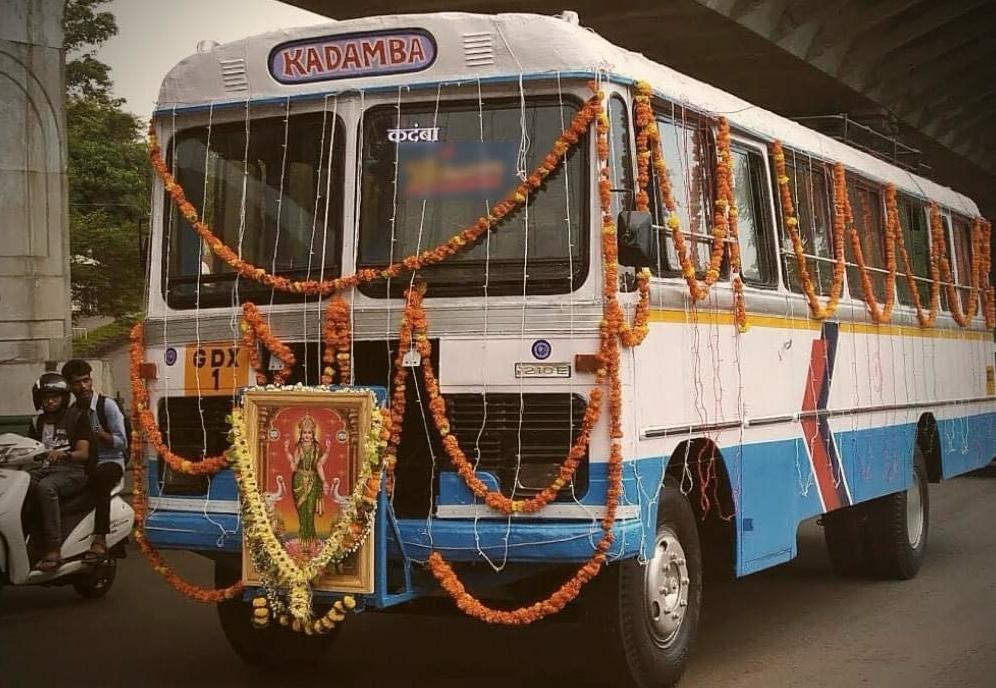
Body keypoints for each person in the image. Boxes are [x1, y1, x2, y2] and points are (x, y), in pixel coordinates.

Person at [61, 359, 127, 564]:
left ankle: (100, 538)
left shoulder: (107, 406)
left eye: (86, 381)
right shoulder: (72, 411)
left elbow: (122, 442)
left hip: (110, 461)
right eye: (77, 383)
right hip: (83, 464)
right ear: (69, 386)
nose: (83, 387)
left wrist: (101, 433)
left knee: (100, 478)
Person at [25, 373, 91, 571]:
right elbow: (29, 449)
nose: (50, 401)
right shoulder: (37, 423)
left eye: (55, 397)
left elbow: (83, 453)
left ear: (64, 398)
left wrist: (63, 455)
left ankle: (53, 548)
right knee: (19, 484)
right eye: (46, 397)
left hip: (72, 470)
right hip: (43, 470)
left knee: (46, 488)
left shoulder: (78, 417)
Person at [283, 414, 329, 544]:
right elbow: (293, 466)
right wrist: (287, 452)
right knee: (302, 511)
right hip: (298, 481)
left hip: (313, 481)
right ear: (300, 434)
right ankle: (303, 538)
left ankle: (310, 537)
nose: (306, 435)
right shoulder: (298, 448)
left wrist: (324, 481)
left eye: (309, 433)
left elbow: (319, 465)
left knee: (310, 510)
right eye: (304, 433)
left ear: (313, 433)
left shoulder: (317, 448)